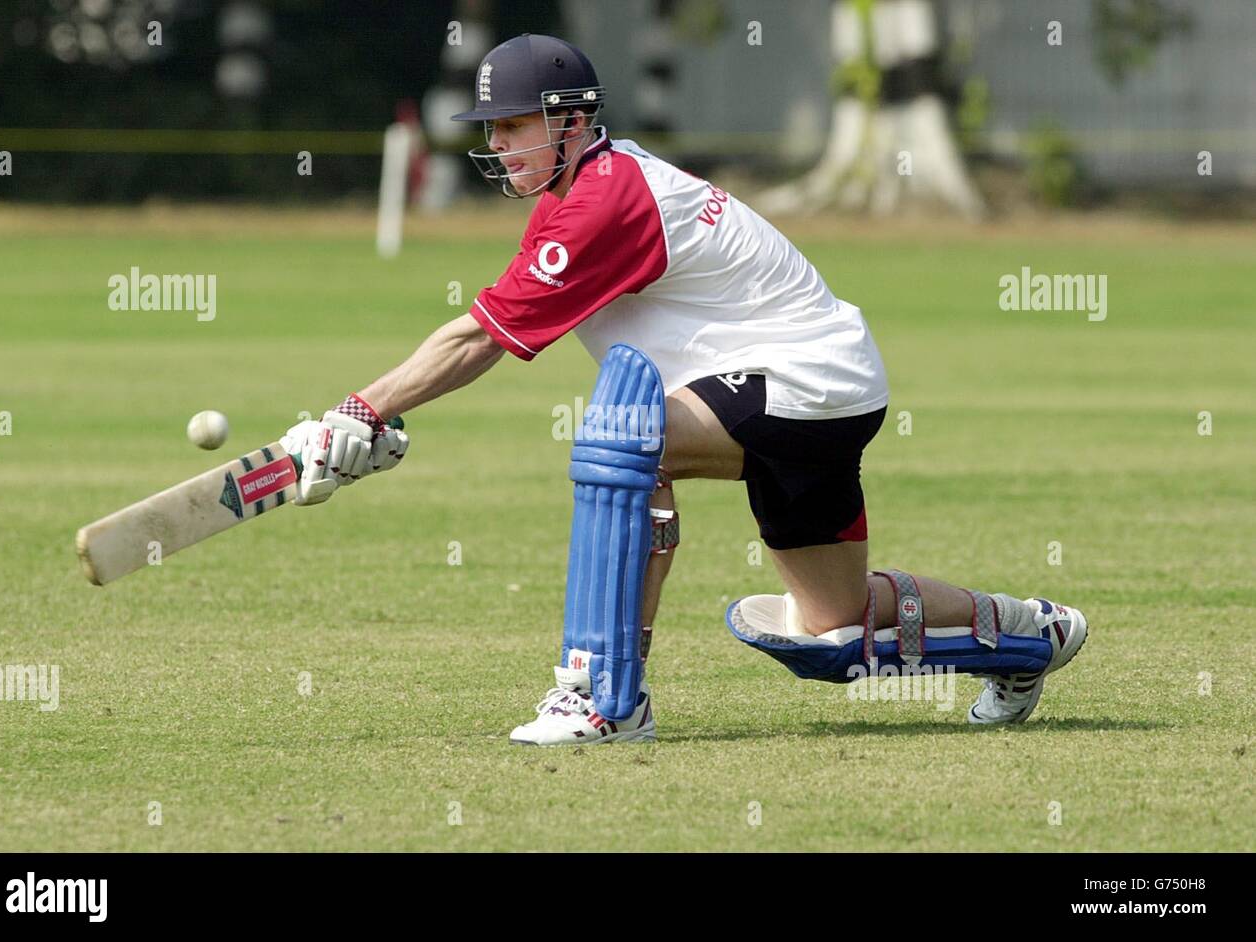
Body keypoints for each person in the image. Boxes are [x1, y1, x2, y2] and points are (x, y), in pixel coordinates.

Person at [280, 34, 1088, 746]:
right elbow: (492, 332)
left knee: (624, 439)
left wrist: (359, 413)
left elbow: (480, 337)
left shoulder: (606, 198)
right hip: (824, 386)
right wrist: (375, 424)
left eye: (516, 124)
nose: (500, 143)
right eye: (492, 127)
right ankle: (1025, 635)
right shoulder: (584, 192)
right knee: (831, 638)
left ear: (572, 121)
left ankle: (603, 696)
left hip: (802, 380)